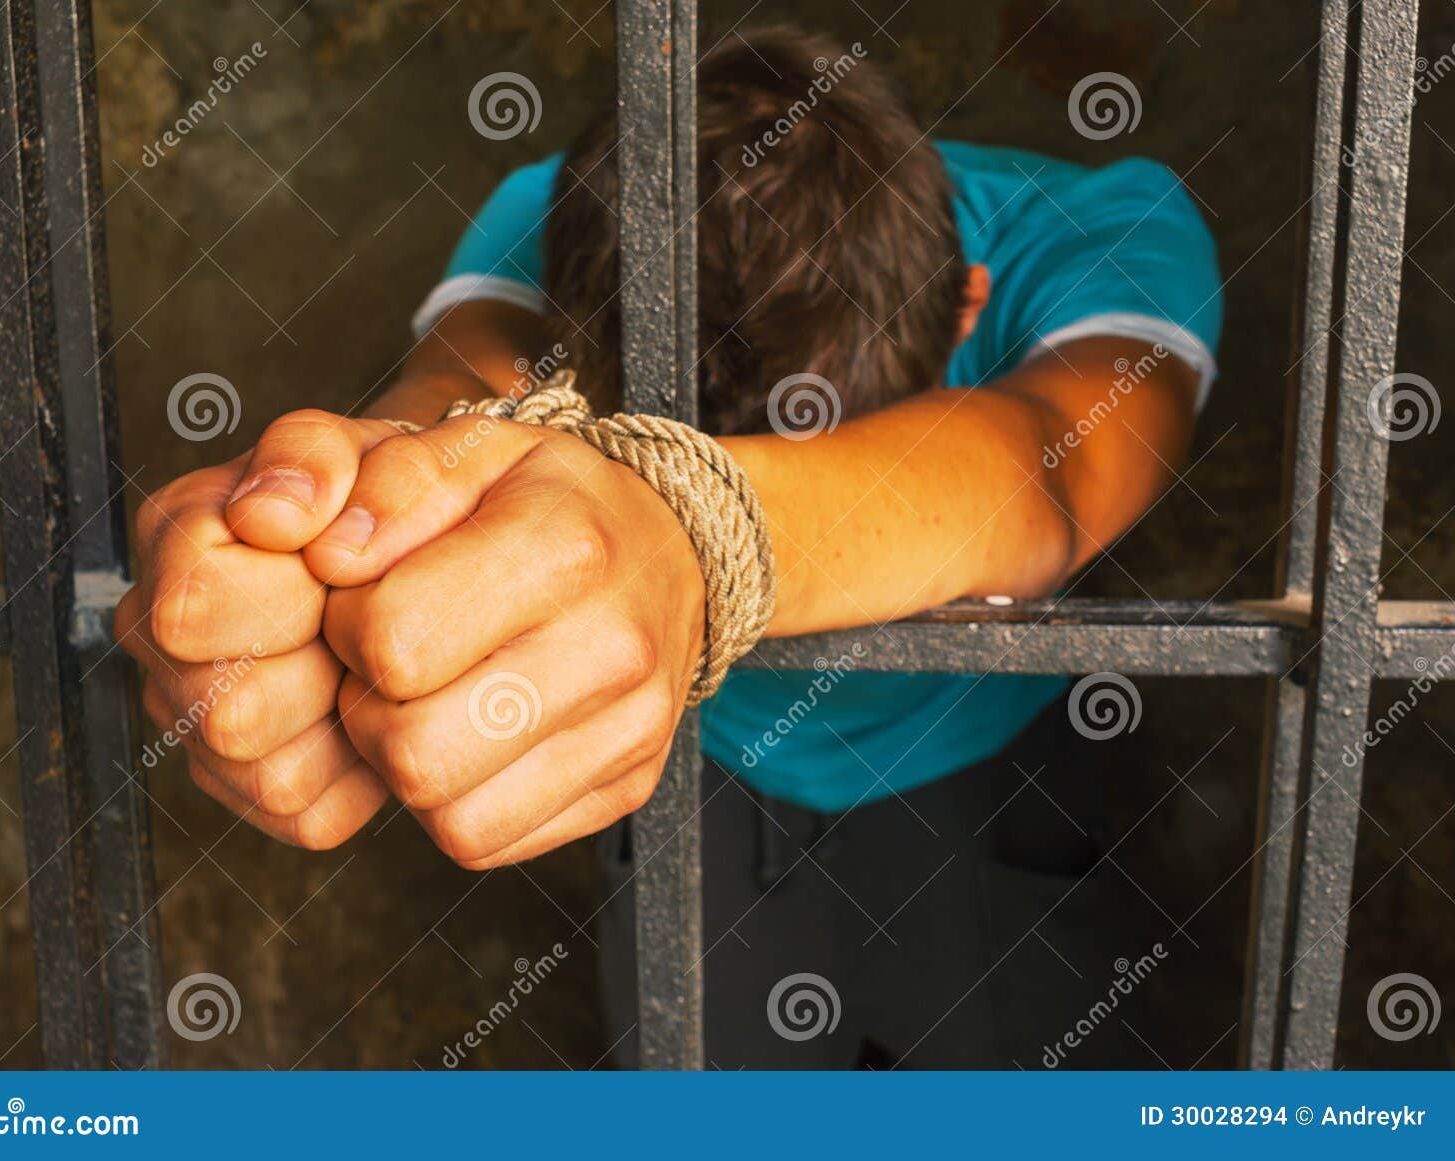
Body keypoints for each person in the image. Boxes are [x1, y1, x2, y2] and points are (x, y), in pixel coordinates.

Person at [115, 25, 1221, 1067]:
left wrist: (684, 523)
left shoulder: (1109, 229)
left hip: (988, 765)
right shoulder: (549, 218)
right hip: (694, 767)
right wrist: (336, 530)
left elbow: (1050, 466)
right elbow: (464, 407)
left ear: (972, 301)